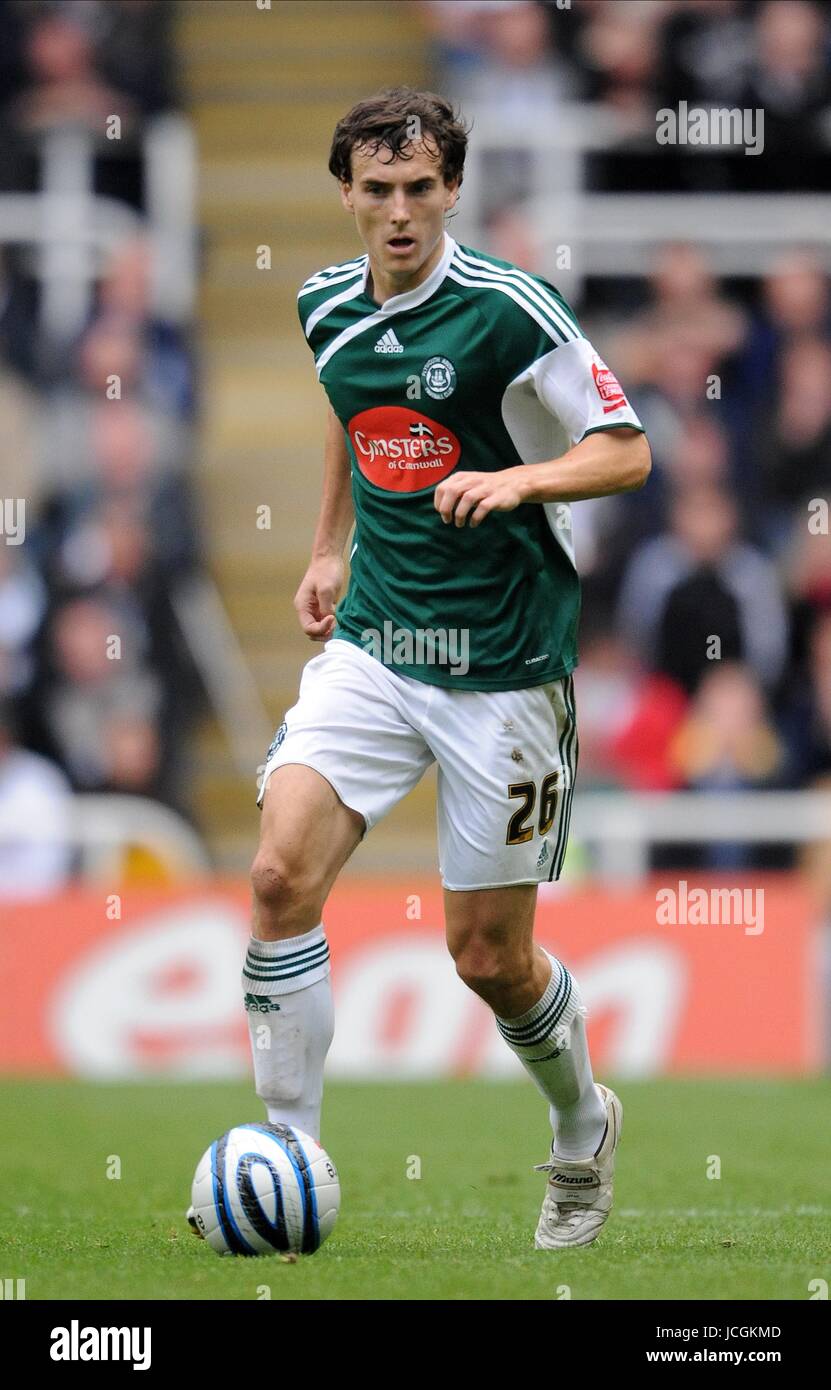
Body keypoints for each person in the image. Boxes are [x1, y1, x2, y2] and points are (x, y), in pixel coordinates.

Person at [237, 88, 650, 1251]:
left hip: (505, 666)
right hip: (377, 644)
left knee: (487, 958)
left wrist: (519, 481)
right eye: (379, 191)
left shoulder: (510, 310)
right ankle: (291, 1154)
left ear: (453, 190)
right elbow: (349, 398)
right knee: (277, 876)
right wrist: (329, 545)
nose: (401, 212)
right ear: (348, 197)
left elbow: (629, 450)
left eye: (422, 188)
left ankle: (581, 1124)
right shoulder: (325, 302)